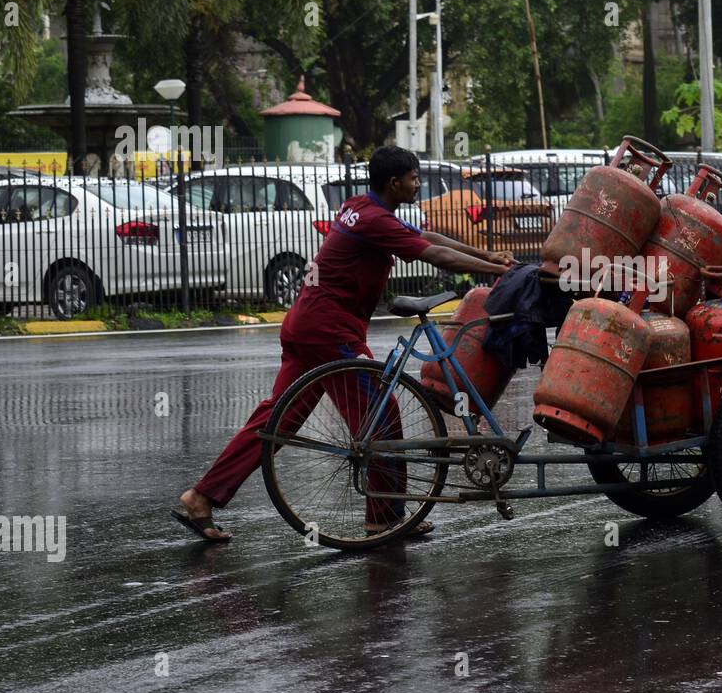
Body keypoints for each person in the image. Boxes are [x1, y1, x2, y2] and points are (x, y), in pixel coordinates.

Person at [172, 146, 513, 542]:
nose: (418, 184)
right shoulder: (373, 221)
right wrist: (494, 270)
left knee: (276, 421)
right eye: (414, 178)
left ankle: (202, 496)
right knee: (381, 419)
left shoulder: (361, 209)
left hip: (306, 325)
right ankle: (383, 517)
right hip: (331, 333)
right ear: (393, 183)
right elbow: (435, 254)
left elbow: (426, 235)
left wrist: (486, 254)